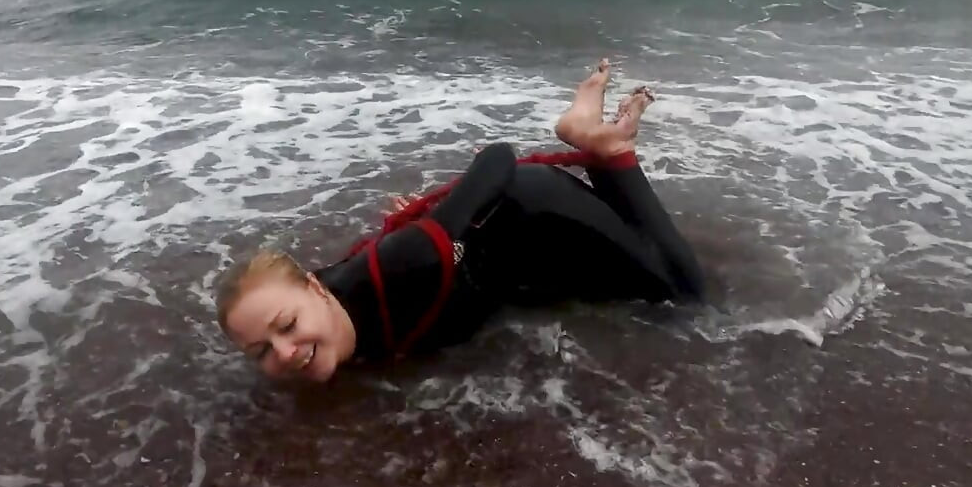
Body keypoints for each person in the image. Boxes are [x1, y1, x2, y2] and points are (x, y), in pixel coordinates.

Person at [216, 59, 706, 382]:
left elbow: (498, 158)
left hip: (536, 211)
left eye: (286, 325)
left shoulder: (407, 261)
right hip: (512, 265)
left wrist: (440, 225)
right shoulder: (325, 320)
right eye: (260, 352)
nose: (282, 353)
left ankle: (602, 145)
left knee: (685, 296)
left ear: (313, 289)